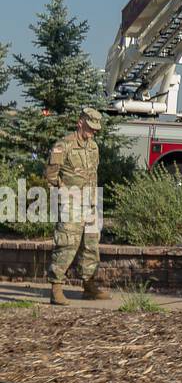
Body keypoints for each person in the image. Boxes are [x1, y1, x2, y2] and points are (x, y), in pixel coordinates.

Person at [46, 106, 109, 305]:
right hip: (70, 203)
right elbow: (50, 175)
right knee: (66, 243)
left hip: (90, 203)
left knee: (90, 245)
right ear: (80, 122)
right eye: (90, 128)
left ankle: (89, 286)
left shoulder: (93, 147)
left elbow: (93, 174)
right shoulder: (63, 146)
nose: (93, 132)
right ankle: (56, 288)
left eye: (95, 129)